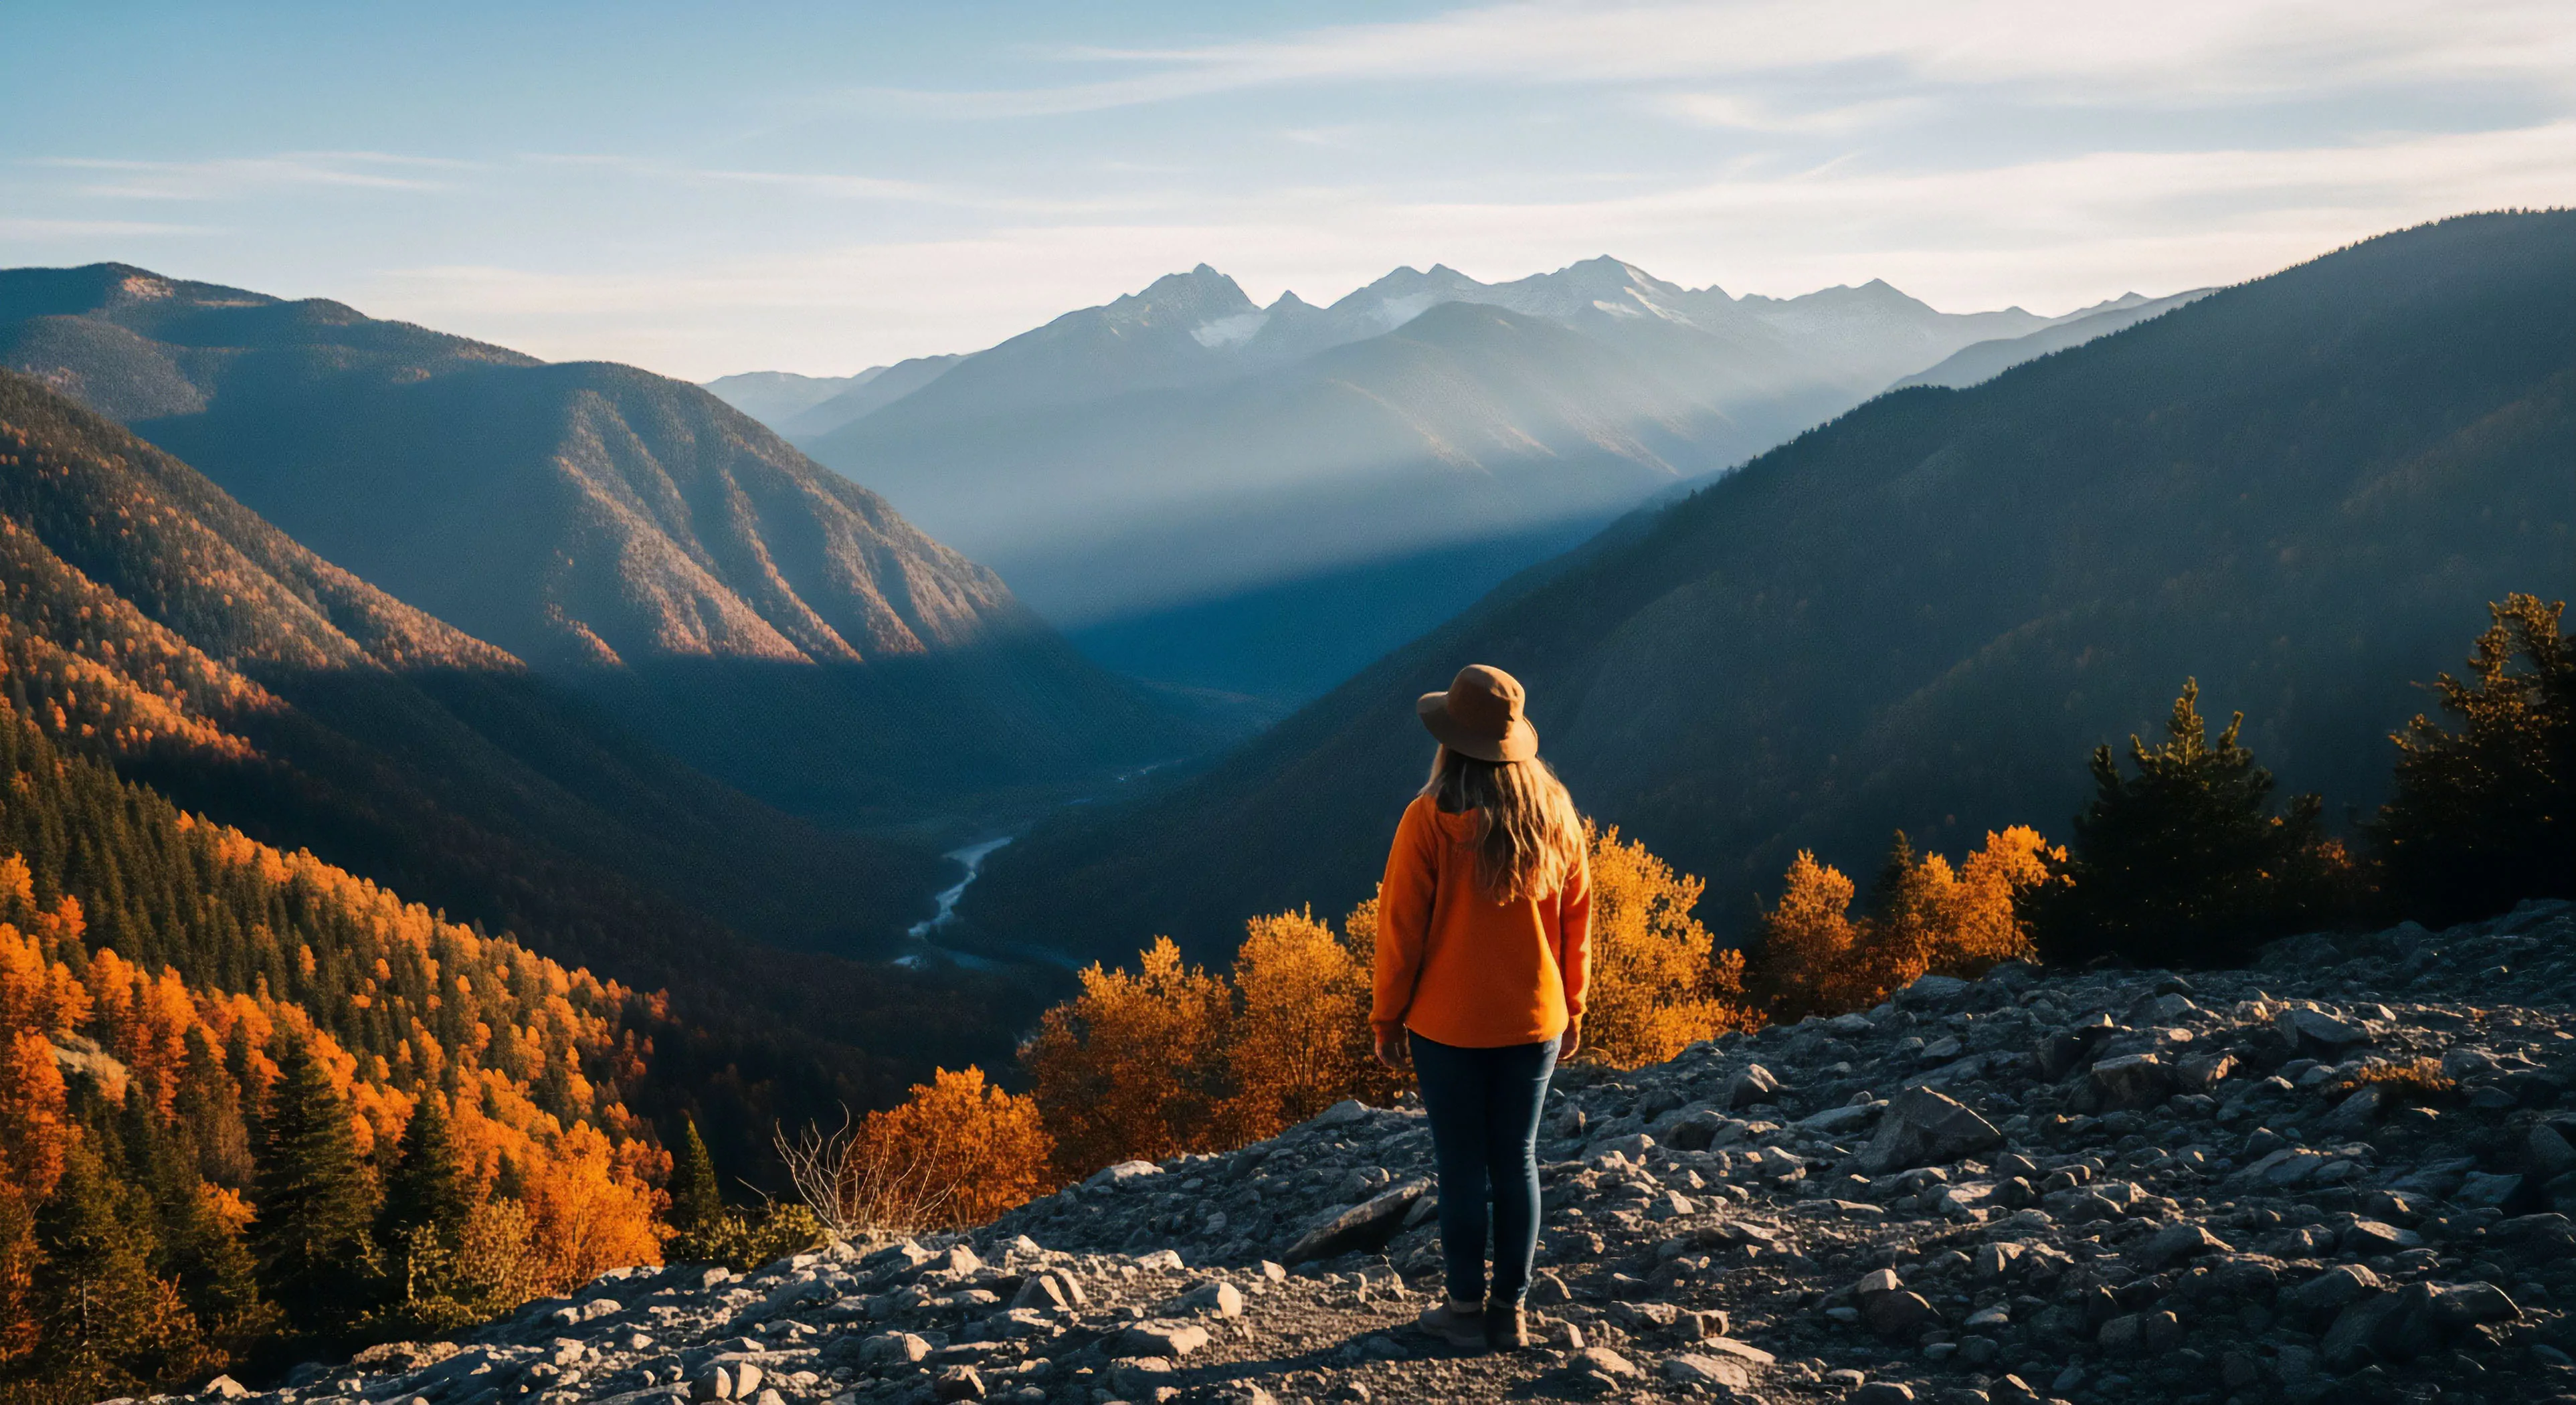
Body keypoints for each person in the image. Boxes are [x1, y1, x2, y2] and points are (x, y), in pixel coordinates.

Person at [1370, 663, 1591, 1352]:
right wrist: (1574, 1007)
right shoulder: (1555, 811)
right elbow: (1577, 922)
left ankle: (1463, 1311)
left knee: (1461, 1164)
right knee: (1516, 1160)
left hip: (1447, 1024)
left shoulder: (1430, 818)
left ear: (1450, 739)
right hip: (1533, 1021)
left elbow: (1401, 928)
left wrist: (1387, 1016)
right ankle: (1511, 1312)